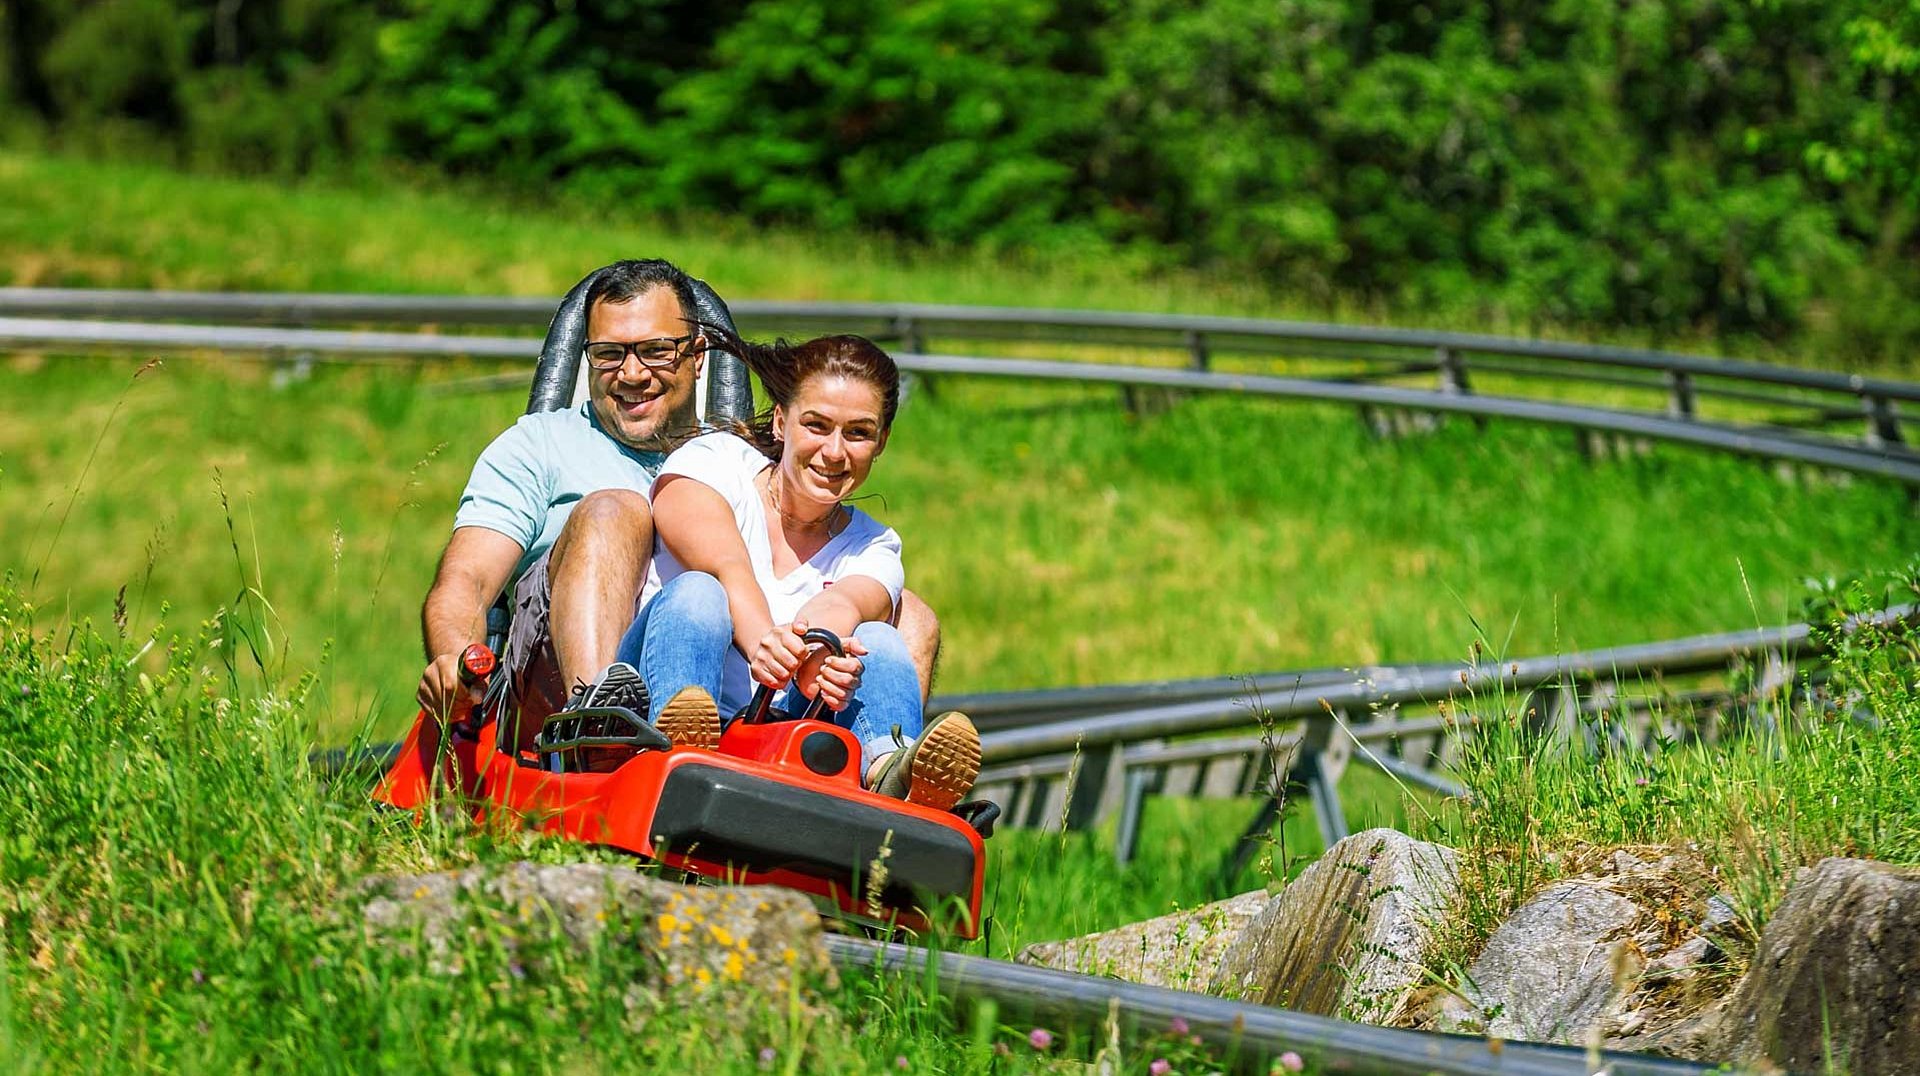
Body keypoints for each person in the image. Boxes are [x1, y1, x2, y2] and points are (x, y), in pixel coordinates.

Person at [412, 258, 942, 752]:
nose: (632, 373)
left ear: (697, 355)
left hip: (719, 678)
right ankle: (596, 730)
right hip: (550, 683)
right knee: (618, 514)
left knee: (906, 613)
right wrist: (455, 659)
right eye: (610, 354)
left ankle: (879, 771)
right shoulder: (539, 444)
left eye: (656, 351)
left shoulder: (738, 461)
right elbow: (467, 579)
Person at [615, 329, 980, 810]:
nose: (834, 452)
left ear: (881, 442)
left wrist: (816, 662)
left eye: (858, 433)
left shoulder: (877, 546)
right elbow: (725, 565)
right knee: (699, 592)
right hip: (657, 681)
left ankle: (890, 773)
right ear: (782, 422)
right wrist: (764, 644)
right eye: (817, 425)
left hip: (774, 728)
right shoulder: (714, 462)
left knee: (879, 640)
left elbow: (842, 603)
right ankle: (677, 739)